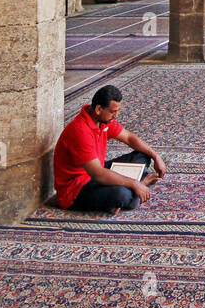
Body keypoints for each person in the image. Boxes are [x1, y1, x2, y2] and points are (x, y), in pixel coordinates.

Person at [53, 84, 167, 215]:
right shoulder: (80, 130)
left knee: (143, 155)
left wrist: (155, 156)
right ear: (98, 109)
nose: (116, 115)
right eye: (113, 111)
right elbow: (98, 174)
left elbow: (129, 138)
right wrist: (136, 183)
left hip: (97, 171)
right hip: (76, 189)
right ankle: (136, 187)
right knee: (122, 195)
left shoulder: (103, 120)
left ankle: (123, 194)